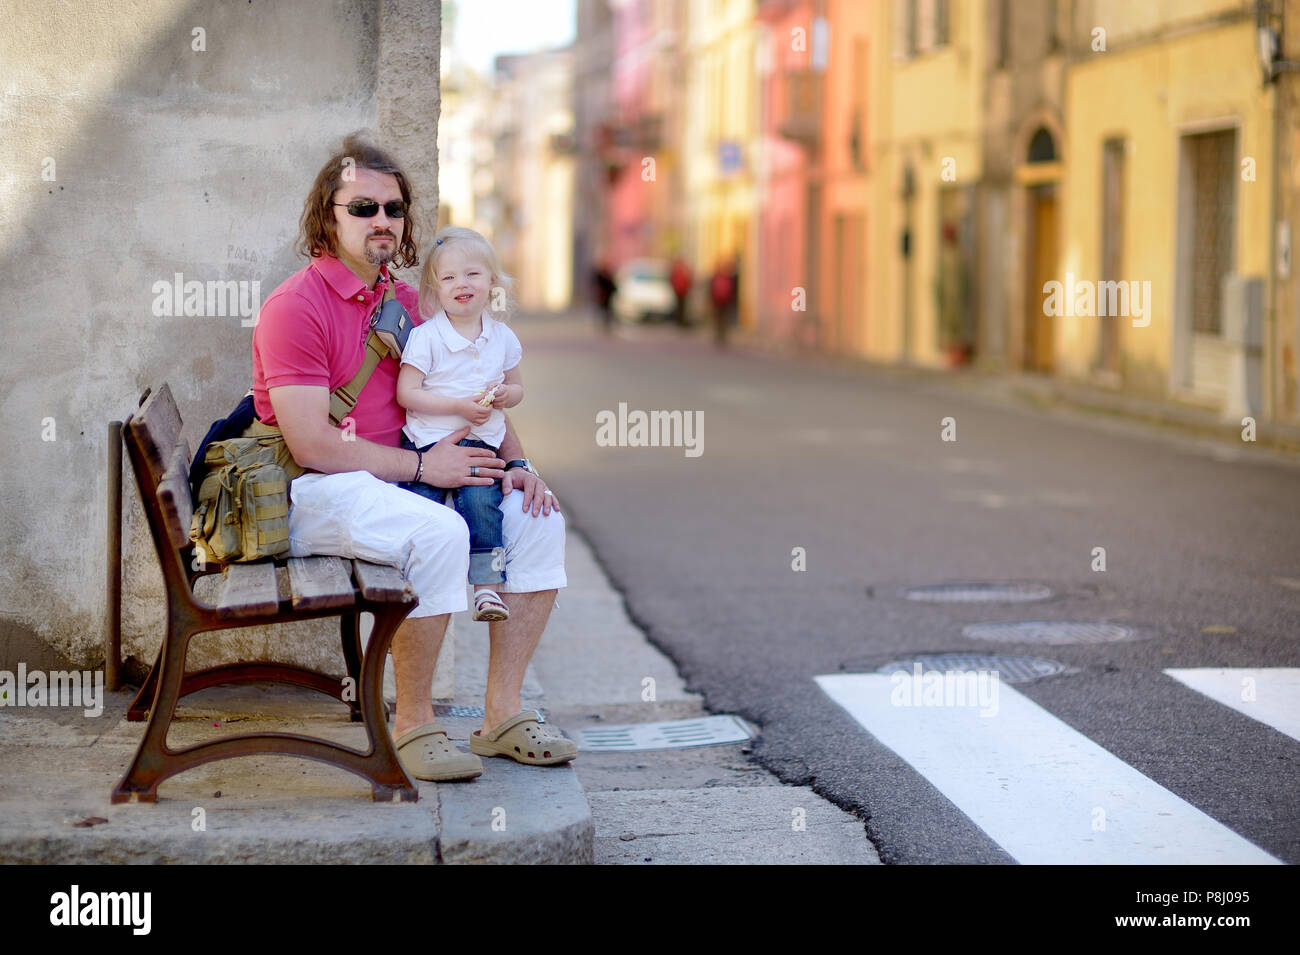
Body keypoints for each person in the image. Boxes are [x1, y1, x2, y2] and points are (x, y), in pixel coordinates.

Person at [251, 134, 576, 781]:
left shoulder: (402, 303)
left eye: (393, 209)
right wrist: (427, 469)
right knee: (440, 531)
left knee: (539, 520)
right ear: (327, 216)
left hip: (396, 473)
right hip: (316, 485)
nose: (382, 221)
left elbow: (476, 394)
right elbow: (311, 442)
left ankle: (502, 715)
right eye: (363, 207)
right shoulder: (296, 307)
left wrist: (518, 466)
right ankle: (414, 723)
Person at [394, 226, 524, 624]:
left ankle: (487, 585)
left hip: (481, 443)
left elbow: (517, 387)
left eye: (472, 274)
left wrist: (505, 396)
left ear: (492, 282)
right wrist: (457, 406)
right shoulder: (427, 337)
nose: (461, 284)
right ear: (435, 289)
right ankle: (407, 593)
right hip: (426, 444)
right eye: (449, 277)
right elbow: (407, 393)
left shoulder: (502, 338)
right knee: (422, 511)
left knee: (484, 506)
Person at [592, 257, 617, 333]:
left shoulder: (608, 275)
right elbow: (597, 285)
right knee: (602, 311)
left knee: (607, 312)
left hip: (608, 296)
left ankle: (606, 325)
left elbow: (613, 285)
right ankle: (602, 325)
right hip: (602, 296)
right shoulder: (600, 276)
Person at [669, 256, 692, 328]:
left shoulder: (681, 271)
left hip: (683, 291)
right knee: (679, 307)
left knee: (682, 307)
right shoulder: (680, 271)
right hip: (679, 291)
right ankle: (679, 321)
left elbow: (688, 280)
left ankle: (680, 320)